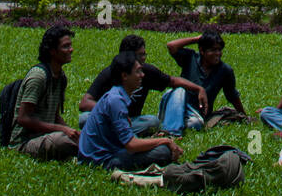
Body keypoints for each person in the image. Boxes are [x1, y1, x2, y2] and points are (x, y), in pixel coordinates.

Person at [78, 52, 184, 172]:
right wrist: (165, 141)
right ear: (124, 76)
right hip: (101, 160)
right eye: (138, 71)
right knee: (163, 152)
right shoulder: (116, 100)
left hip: (101, 153)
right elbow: (131, 145)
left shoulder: (117, 94)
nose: (142, 75)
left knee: (158, 147)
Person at [78, 34, 209, 130]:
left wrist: (199, 89)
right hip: (109, 119)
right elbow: (85, 103)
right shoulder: (110, 73)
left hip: (132, 122)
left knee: (152, 122)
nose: (143, 59)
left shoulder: (146, 72)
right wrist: (113, 113)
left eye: (144, 54)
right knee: (84, 118)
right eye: (140, 55)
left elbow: (173, 81)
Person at [8, 23, 79, 161]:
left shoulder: (61, 77)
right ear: (52, 51)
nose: (71, 50)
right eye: (65, 46)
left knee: (80, 138)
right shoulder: (38, 77)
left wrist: (73, 133)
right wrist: (62, 130)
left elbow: (55, 115)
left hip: (46, 136)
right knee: (62, 140)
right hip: (25, 142)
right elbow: (23, 118)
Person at [160, 29, 247, 135]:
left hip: (195, 112)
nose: (218, 54)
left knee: (195, 124)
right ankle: (172, 132)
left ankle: (171, 124)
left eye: (219, 50)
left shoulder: (225, 71)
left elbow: (232, 95)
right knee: (179, 91)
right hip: (177, 103)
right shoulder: (190, 57)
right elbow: (171, 46)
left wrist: (244, 116)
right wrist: (197, 39)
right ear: (202, 51)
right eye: (213, 50)